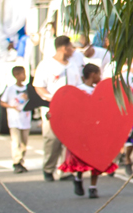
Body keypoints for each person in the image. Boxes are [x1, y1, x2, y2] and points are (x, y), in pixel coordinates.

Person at [56, 64, 117, 199]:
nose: (100, 77)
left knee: (96, 158)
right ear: (93, 74)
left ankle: (92, 187)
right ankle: (78, 178)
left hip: (96, 130)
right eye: (98, 74)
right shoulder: (78, 91)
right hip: (81, 130)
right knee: (81, 158)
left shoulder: (98, 91)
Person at [34, 35, 82, 181]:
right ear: (63, 48)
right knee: (52, 139)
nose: (73, 50)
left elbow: (78, 84)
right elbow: (38, 86)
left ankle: (66, 169)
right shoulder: (46, 64)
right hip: (53, 107)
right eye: (70, 47)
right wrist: (50, 98)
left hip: (71, 107)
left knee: (69, 138)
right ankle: (49, 169)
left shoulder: (73, 65)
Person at [2, 65, 32, 173]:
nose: (24, 76)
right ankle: (16, 162)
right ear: (16, 76)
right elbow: (3, 101)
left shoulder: (28, 89)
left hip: (25, 119)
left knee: (24, 143)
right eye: (21, 74)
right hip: (14, 119)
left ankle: (21, 161)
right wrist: (11, 107)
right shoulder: (10, 89)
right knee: (16, 141)